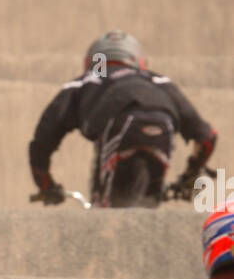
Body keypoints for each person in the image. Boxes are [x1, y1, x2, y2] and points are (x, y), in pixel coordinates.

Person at [29, 31, 216, 208]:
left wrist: (46, 186)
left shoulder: (84, 81)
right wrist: (190, 176)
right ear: (139, 61)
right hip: (163, 129)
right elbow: (208, 138)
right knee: (150, 211)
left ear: (91, 61)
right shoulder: (158, 81)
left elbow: (41, 141)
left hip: (119, 126)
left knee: (104, 214)